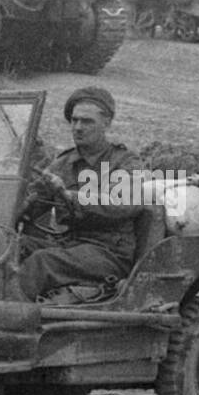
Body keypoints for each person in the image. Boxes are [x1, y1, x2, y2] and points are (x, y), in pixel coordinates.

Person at [16, 87, 144, 303]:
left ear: (107, 123)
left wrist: (69, 195)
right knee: (11, 246)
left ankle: (4, 320)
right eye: (74, 121)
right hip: (70, 245)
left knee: (42, 262)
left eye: (87, 121)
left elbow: (124, 203)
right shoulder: (63, 163)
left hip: (109, 252)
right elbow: (31, 202)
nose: (78, 128)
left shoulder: (125, 162)